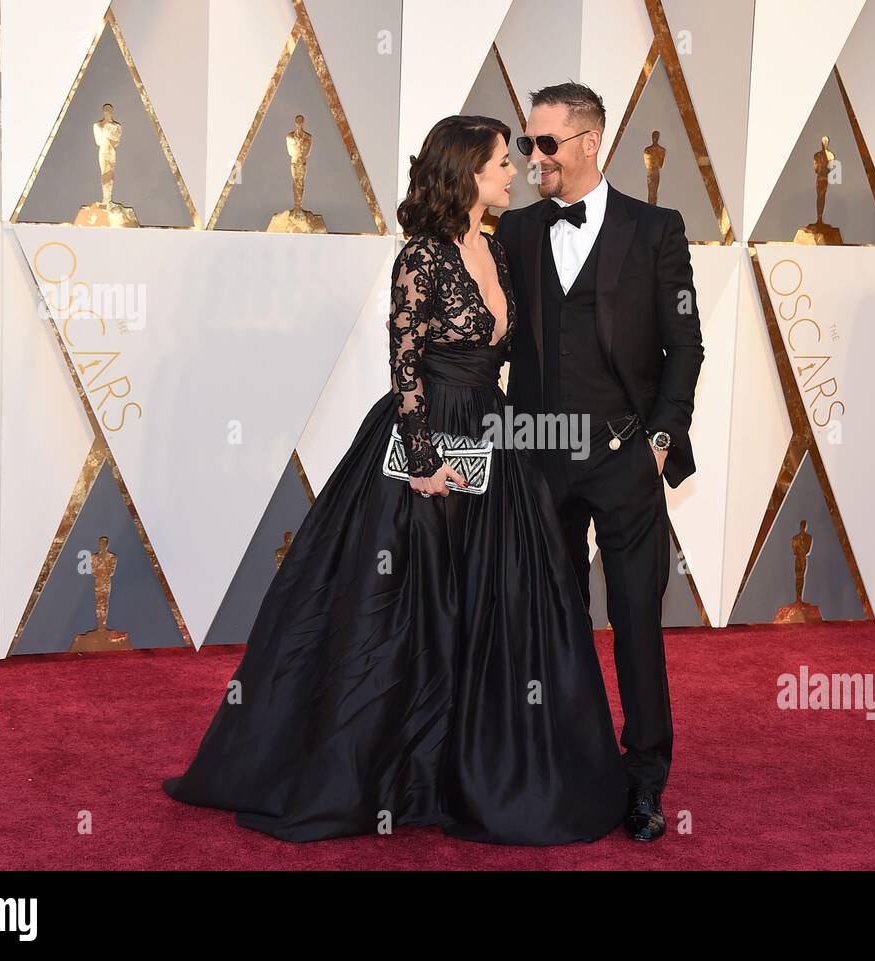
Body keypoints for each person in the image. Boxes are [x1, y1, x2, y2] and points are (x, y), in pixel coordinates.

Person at [162, 115, 628, 845]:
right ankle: (386, 771)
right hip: (426, 437)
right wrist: (419, 460)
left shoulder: (498, 250)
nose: (514, 172)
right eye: (502, 161)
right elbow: (405, 364)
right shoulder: (421, 257)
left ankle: (472, 769)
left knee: (491, 604)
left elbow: (504, 360)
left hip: (491, 439)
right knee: (405, 609)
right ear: (467, 172)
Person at [495, 82, 704, 841]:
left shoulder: (657, 229)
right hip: (541, 457)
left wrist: (659, 441)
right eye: (527, 144)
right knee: (553, 620)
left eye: (546, 144)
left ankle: (646, 779)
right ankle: (566, 765)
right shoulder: (514, 232)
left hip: (625, 458)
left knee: (637, 620)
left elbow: (686, 345)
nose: (533, 158)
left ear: (590, 143)